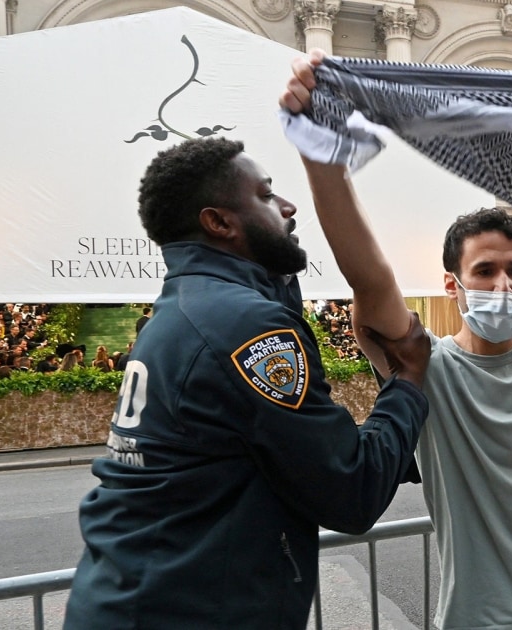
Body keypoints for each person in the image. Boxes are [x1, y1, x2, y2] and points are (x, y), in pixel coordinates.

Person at [281, 51, 512, 630]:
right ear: (453, 285)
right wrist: (322, 159)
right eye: (485, 271)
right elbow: (370, 281)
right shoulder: (425, 366)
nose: (504, 285)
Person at [64, 137, 432, 630]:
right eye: (266, 195)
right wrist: (407, 381)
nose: (288, 207)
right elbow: (351, 491)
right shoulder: (246, 327)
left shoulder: (190, 309)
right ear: (219, 222)